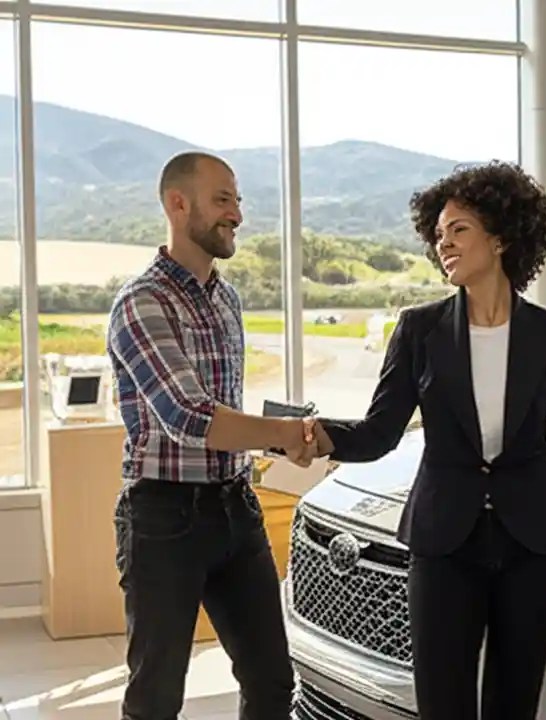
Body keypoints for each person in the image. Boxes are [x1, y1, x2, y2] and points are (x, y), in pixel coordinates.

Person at [297, 161, 546, 720]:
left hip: (534, 549)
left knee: (515, 705)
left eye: (459, 229)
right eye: (438, 234)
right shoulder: (419, 330)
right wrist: (313, 438)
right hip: (443, 546)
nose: (445, 244)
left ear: (501, 237)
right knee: (441, 705)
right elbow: (378, 432)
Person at [106, 151, 314, 720]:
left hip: (236, 507)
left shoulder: (227, 300)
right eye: (223, 200)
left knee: (272, 681)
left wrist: (278, 440)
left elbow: (223, 412)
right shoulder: (141, 302)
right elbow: (188, 415)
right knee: (156, 698)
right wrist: (285, 432)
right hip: (164, 518)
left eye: (237, 201)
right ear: (178, 204)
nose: (237, 215)